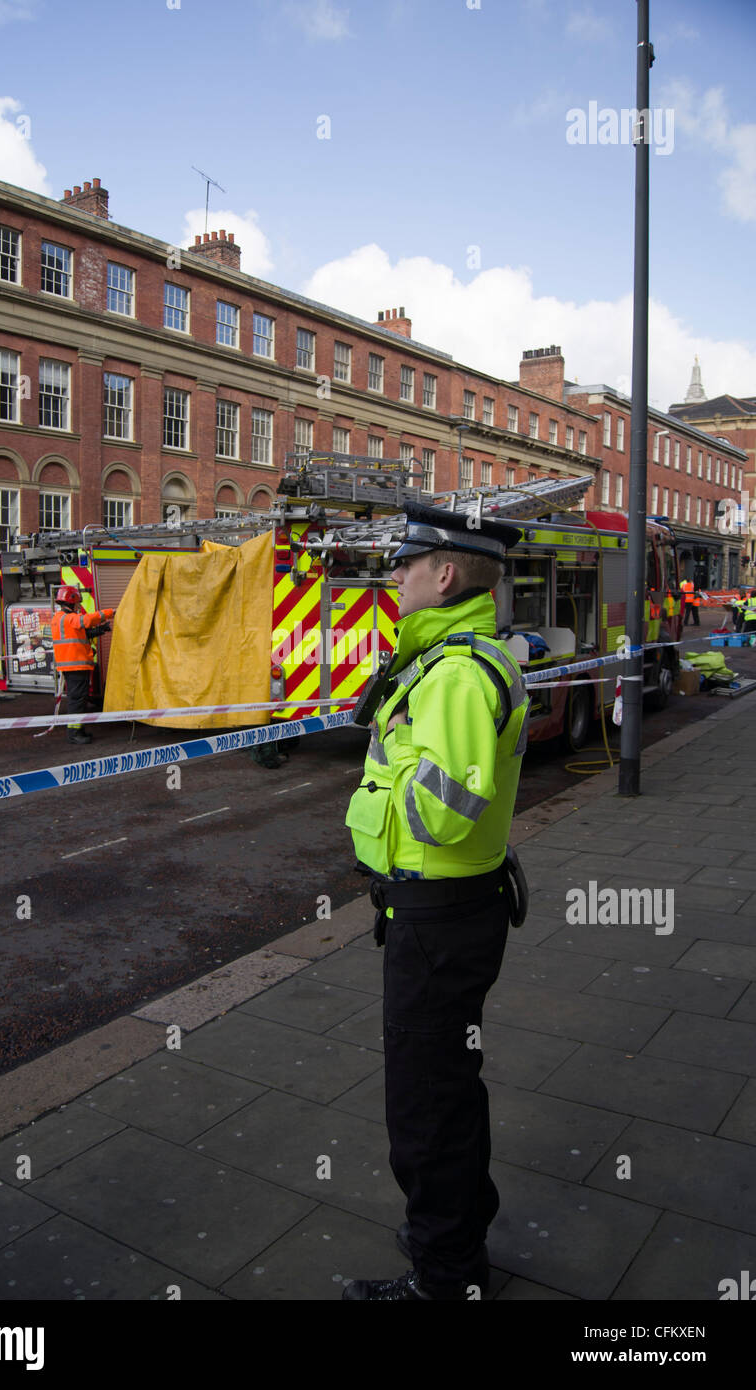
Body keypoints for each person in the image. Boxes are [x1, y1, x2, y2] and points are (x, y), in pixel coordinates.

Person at [342, 502, 530, 1301]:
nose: (394, 576)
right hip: (454, 908)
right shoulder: (459, 656)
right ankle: (454, 1237)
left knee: (425, 1105)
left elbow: (442, 809)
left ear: (443, 573)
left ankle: (444, 1278)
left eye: (405, 565)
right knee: (448, 1087)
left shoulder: (452, 674)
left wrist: (386, 782)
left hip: (438, 914)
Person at [50, 585, 114, 744]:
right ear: (71, 602)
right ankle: (74, 733)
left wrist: (101, 630)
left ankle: (79, 728)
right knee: (77, 700)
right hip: (75, 666)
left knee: (79, 699)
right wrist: (109, 613)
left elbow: (83, 633)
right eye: (77, 603)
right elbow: (86, 621)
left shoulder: (61, 618)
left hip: (73, 666)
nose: (79, 606)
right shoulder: (68, 617)